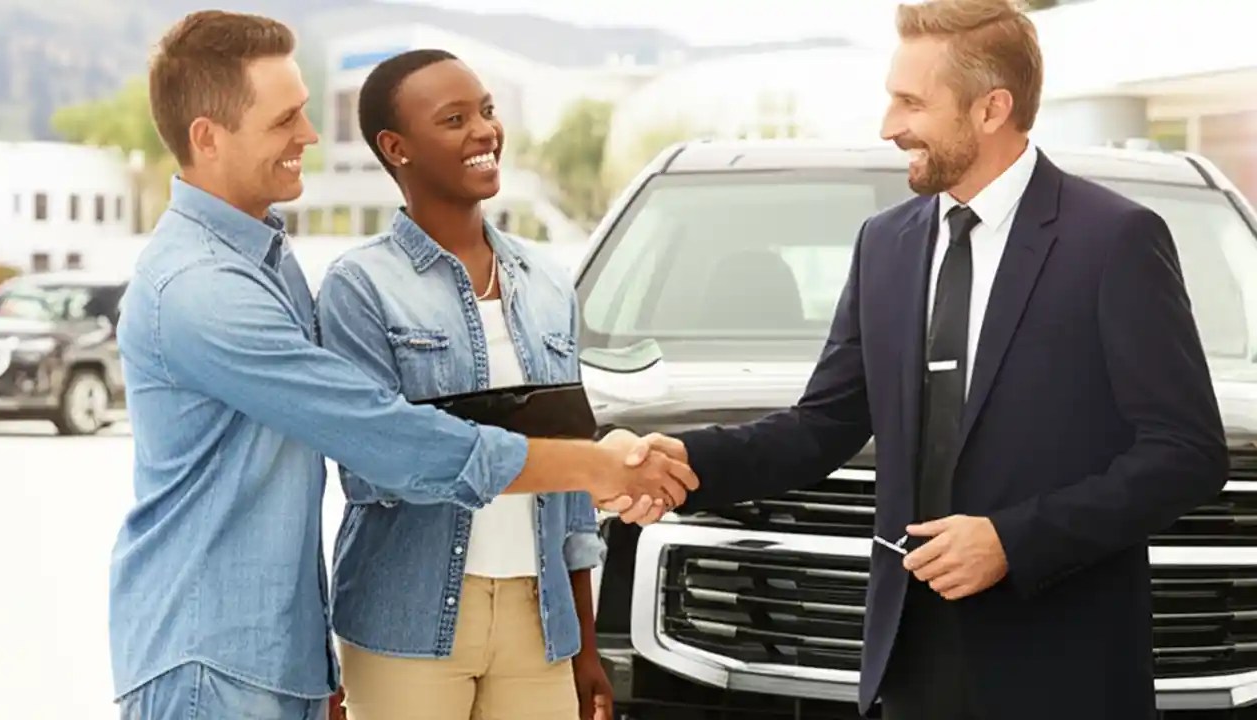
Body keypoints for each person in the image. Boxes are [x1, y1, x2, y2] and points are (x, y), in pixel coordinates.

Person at [610, 0, 1229, 718]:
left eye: (911, 102)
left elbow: (1186, 454)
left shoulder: (1114, 241)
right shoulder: (885, 244)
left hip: (1063, 670)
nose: (888, 125)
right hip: (911, 665)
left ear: (991, 108)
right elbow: (822, 427)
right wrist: (682, 462)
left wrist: (1012, 541)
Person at [110, 12, 693, 720]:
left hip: (269, 656)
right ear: (208, 136)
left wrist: (314, 666)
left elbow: (284, 497)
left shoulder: (265, 259)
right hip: (211, 661)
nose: (310, 135)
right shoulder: (201, 291)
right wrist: (595, 467)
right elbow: (381, 437)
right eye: (285, 118)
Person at [313, 49, 615, 720]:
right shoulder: (358, 288)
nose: (483, 132)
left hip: (540, 624)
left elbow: (571, 498)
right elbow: (373, 472)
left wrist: (585, 644)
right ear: (397, 148)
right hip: (406, 620)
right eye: (454, 119)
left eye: (485, 111)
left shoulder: (546, 284)